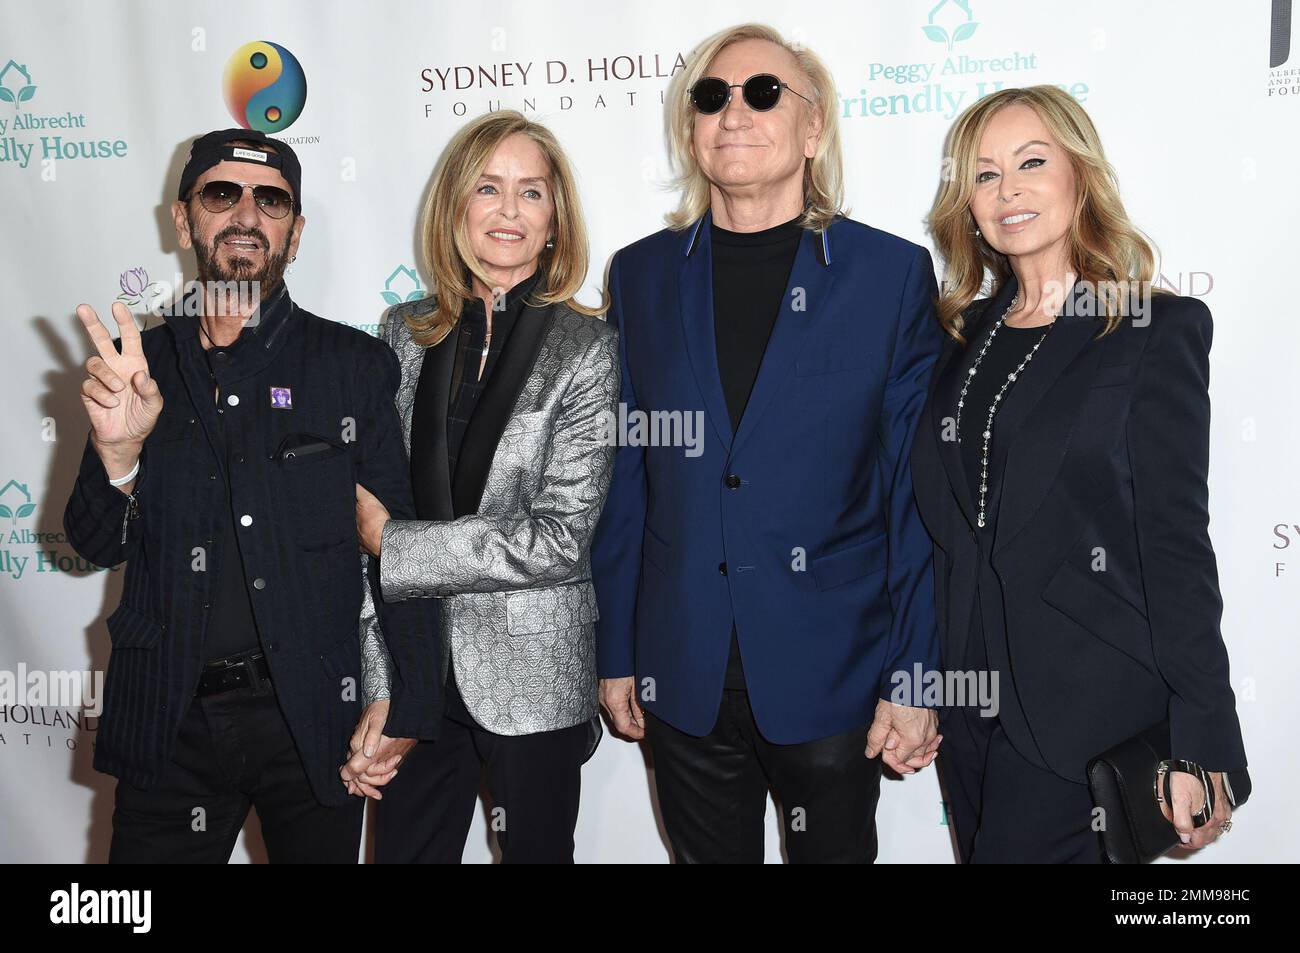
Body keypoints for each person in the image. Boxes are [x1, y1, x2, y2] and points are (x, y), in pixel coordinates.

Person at [590, 23, 942, 864]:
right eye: (710, 97)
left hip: (837, 672)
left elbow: (914, 497)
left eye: (762, 92)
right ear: (690, 129)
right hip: (683, 671)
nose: (733, 112)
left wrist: (916, 673)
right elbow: (626, 478)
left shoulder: (888, 275)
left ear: (813, 129)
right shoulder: (639, 275)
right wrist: (616, 652)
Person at [63, 128, 439, 863]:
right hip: (167, 719)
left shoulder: (352, 367)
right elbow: (91, 542)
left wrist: (410, 697)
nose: (246, 213)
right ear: (183, 219)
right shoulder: (139, 366)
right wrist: (118, 454)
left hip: (312, 719)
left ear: (294, 234)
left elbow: (403, 549)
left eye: (271, 200)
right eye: (220, 193)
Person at [912, 86, 1247, 862]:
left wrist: (1202, 739)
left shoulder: (1151, 332)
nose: (1010, 190)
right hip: (971, 707)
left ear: (1081, 176)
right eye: (985, 175)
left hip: (1085, 711)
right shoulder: (962, 335)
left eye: (1033, 162)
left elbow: (1174, 544)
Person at [343, 110, 619, 864]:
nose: (508, 210)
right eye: (489, 188)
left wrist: (398, 546)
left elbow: (559, 539)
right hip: (415, 674)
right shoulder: (401, 332)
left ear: (556, 217)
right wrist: (381, 681)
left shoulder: (587, 348)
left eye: (532, 193)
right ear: (455, 204)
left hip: (534, 676)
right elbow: (367, 525)